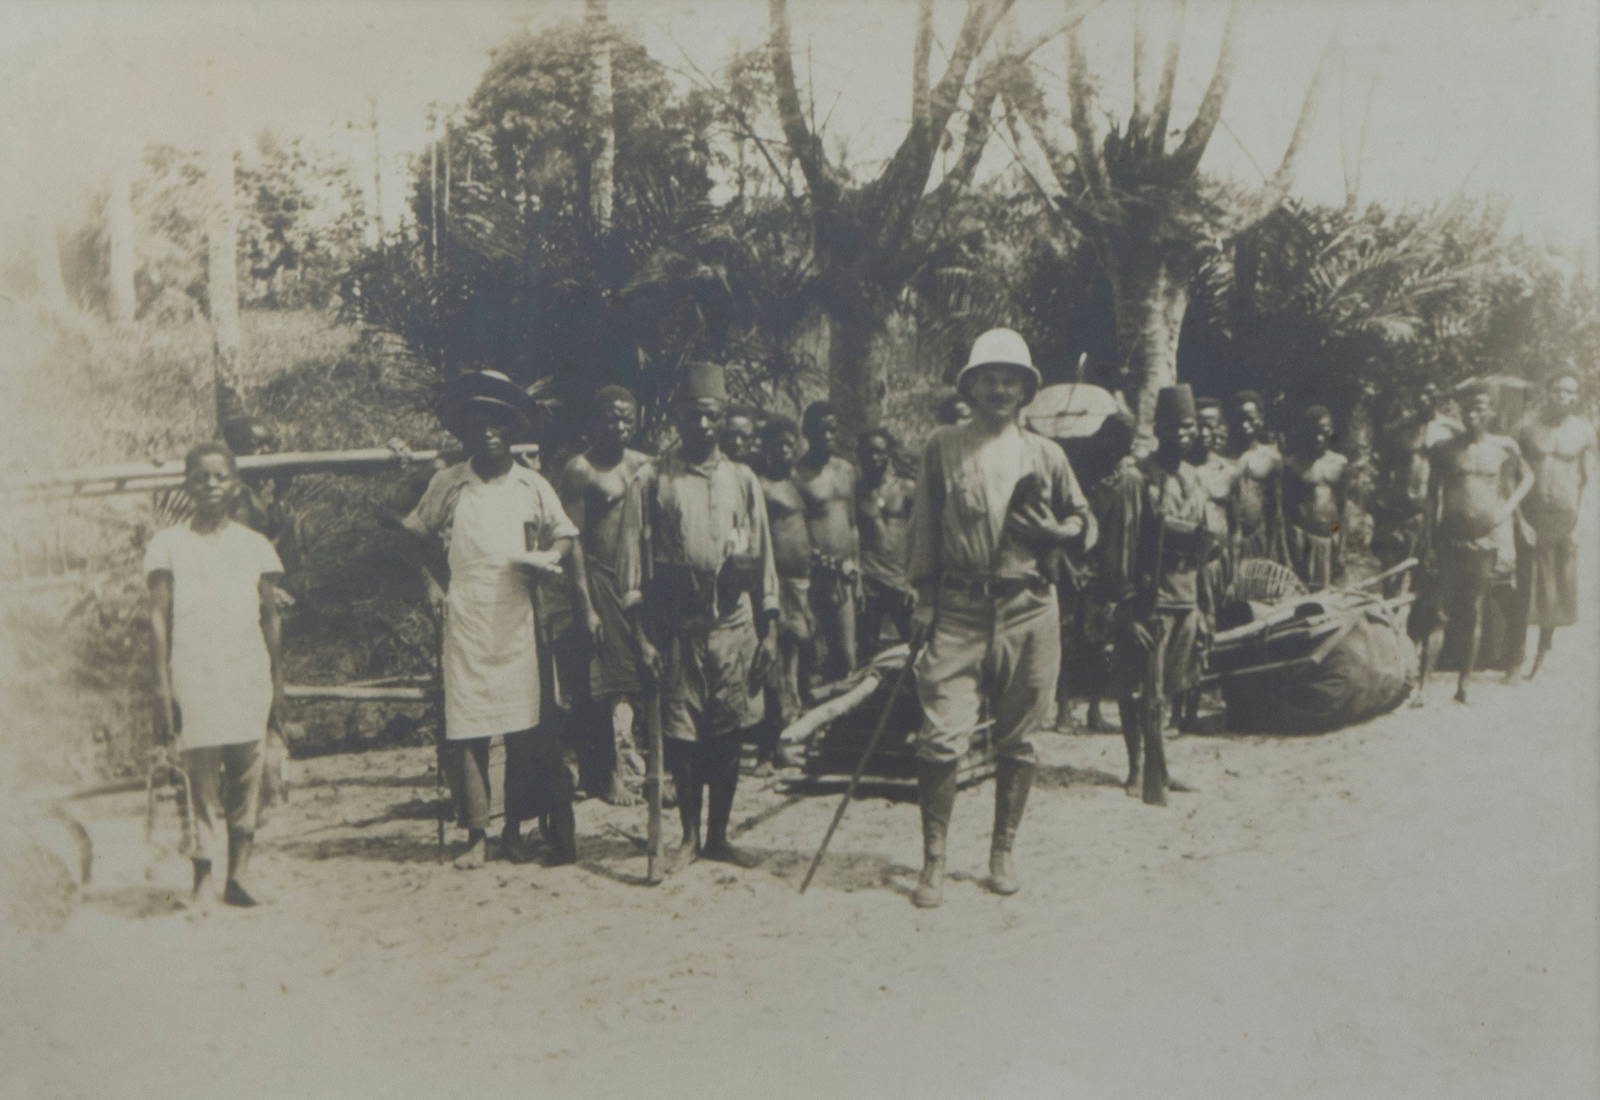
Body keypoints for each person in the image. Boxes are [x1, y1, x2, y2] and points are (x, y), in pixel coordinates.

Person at [905, 328, 1094, 908]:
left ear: (1025, 390)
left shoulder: (1046, 454)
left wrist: (1059, 531)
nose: (999, 389)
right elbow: (924, 527)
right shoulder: (942, 445)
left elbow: (1085, 521)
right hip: (959, 609)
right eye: (988, 379)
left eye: (1010, 380)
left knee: (1020, 739)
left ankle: (1002, 852)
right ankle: (934, 860)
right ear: (970, 386)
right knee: (941, 738)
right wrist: (925, 600)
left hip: (1029, 606)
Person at [399, 370, 592, 869]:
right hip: (466, 611)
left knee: (523, 725)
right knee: (468, 725)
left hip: (516, 613)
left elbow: (565, 534)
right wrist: (432, 585)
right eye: (476, 423)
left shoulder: (531, 483)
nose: (486, 432)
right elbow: (414, 536)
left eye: (496, 423)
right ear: (464, 430)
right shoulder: (449, 483)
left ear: (510, 429)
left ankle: (513, 831)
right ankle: (476, 834)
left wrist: (548, 556)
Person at [619, 362, 780, 872]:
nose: (703, 425)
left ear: (723, 415)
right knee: (682, 735)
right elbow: (631, 566)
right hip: (677, 626)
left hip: (734, 625)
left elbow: (763, 558)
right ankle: (688, 837)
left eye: (711, 415)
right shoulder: (651, 479)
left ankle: (718, 837)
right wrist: (642, 637)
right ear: (677, 417)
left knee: (729, 733)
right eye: (693, 416)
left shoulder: (743, 479)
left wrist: (769, 630)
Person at [146, 441, 286, 908]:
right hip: (195, 672)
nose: (210, 485)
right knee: (199, 775)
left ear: (236, 485)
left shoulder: (254, 546)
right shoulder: (168, 545)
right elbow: (158, 618)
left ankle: (239, 876)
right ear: (186, 484)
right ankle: (203, 877)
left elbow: (271, 618)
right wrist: (162, 687)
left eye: (220, 477)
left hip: (246, 671)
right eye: (200, 477)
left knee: (248, 772)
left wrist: (278, 684)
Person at [1100, 384, 1214, 806]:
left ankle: (1160, 764)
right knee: (1137, 687)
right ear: (1158, 429)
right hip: (1150, 601)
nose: (1184, 434)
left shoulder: (1194, 478)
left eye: (1190, 427)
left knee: (1168, 689)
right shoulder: (1137, 480)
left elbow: (1204, 548)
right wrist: (1127, 608)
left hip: (1185, 598)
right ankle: (1138, 766)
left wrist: (1204, 609)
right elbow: (1120, 547)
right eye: (1175, 427)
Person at [558, 386, 652, 806]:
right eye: (611, 418)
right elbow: (572, 539)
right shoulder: (581, 470)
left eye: (627, 419)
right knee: (599, 683)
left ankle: (649, 769)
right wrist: (585, 605)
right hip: (598, 580)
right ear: (595, 421)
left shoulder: (644, 466)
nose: (619, 427)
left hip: (635, 583)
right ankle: (604, 775)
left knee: (643, 675)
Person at [1429, 384, 1535, 703]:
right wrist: (1430, 535)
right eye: (1468, 408)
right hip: (1452, 536)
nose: (1473, 414)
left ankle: (1495, 668)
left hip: (1490, 535)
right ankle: (1428, 679)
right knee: (1442, 605)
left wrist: (1507, 509)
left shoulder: (1504, 447)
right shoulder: (1446, 448)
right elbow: (1433, 495)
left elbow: (1527, 477)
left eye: (1480, 408)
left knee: (1490, 599)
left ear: (1491, 412)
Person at [1370, 384, 1459, 703]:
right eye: (1420, 392)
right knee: (1392, 593)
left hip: (1434, 522)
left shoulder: (1452, 432)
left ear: (1440, 398)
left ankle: (1424, 678)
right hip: (1400, 518)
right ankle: (1391, 669)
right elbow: (1383, 472)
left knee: (1430, 598)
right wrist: (1382, 517)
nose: (1425, 398)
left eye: (1432, 393)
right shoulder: (1399, 430)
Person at [1515, 371, 1594, 679]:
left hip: (1563, 518)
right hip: (1530, 515)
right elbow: (1512, 475)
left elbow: (1587, 480)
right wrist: (1519, 519)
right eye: (1558, 390)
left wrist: (1579, 523)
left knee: (1555, 588)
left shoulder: (1583, 431)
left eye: (1569, 392)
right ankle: (1515, 655)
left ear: (1577, 396)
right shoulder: (1526, 427)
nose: (1563, 397)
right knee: (1523, 584)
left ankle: (1542, 653)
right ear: (1547, 392)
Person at [753, 416, 814, 773]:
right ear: (767, 447)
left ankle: (782, 743)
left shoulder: (797, 484)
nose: (785, 451)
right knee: (771, 669)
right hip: (774, 583)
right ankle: (765, 750)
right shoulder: (760, 486)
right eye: (778, 445)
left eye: (790, 445)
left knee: (793, 666)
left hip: (800, 584)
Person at [795, 400, 861, 681]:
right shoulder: (797, 475)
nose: (828, 436)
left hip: (845, 575)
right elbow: (796, 531)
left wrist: (857, 572)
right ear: (807, 433)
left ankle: (842, 705)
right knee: (812, 654)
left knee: (847, 655)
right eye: (822, 430)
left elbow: (852, 524)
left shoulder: (846, 470)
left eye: (833, 430)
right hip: (815, 576)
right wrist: (819, 562)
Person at [855, 427, 915, 659]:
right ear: (859, 454)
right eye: (869, 452)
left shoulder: (906, 489)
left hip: (900, 579)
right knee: (866, 650)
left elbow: (923, 534)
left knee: (916, 646)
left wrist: (916, 582)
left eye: (880, 452)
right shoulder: (855, 491)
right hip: (869, 579)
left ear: (889, 454)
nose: (874, 458)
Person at [1282, 404, 1349, 589]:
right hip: (1302, 540)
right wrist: (1293, 542)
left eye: (1323, 432)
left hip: (1329, 537)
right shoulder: (1294, 465)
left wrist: (1338, 541)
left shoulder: (1339, 463)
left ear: (1330, 431)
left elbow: (1341, 510)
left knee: (1329, 593)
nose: (1318, 438)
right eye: (1313, 432)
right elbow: (1287, 510)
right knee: (1302, 590)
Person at [1227, 390, 1288, 565]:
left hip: (1257, 539)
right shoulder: (1223, 457)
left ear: (1260, 418)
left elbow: (1275, 511)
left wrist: (1271, 550)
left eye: (1250, 419)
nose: (1244, 425)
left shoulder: (1271, 459)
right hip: (1227, 541)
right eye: (1240, 419)